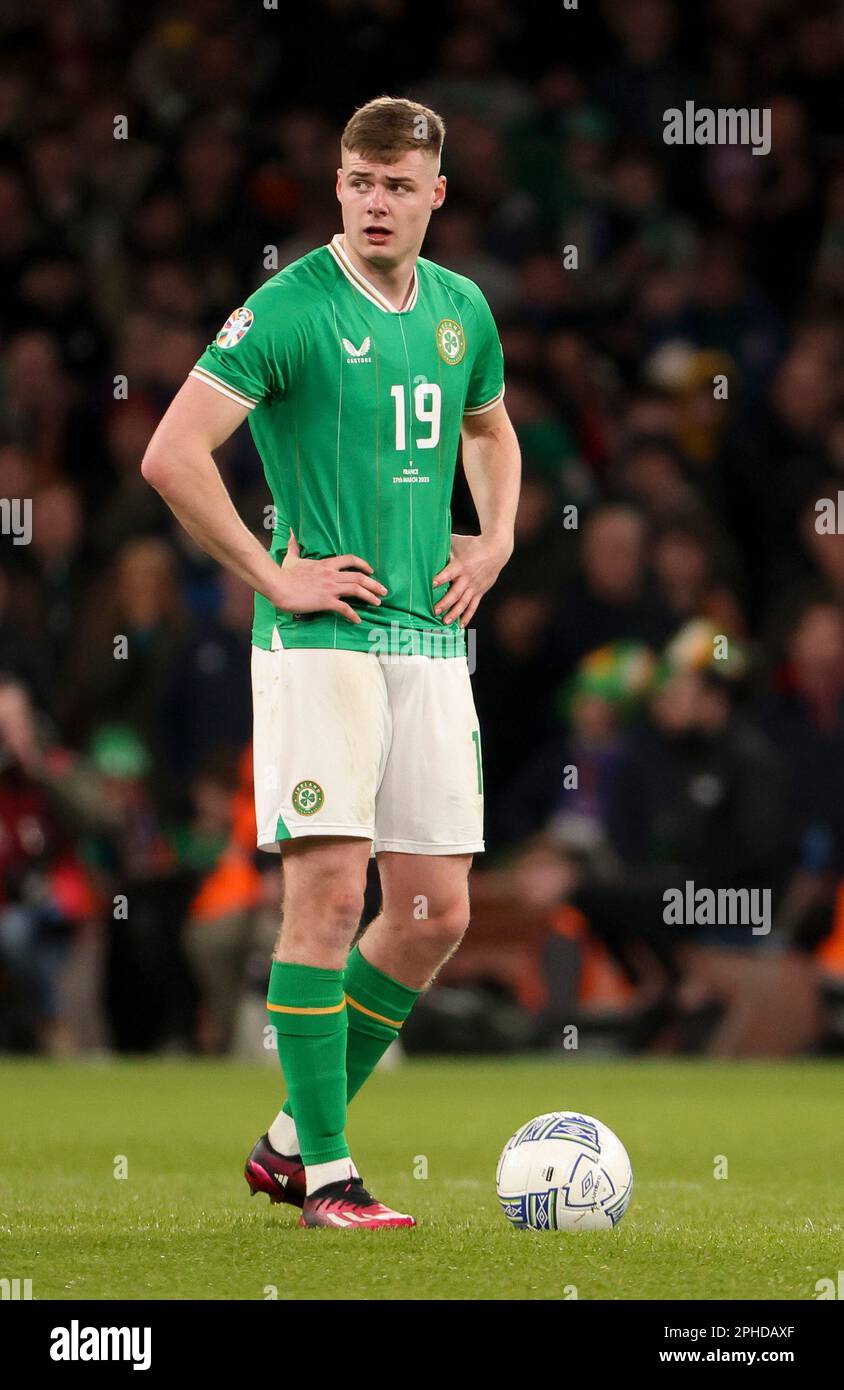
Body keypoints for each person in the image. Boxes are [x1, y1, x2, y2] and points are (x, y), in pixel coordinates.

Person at [141, 96, 521, 1228]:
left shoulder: (460, 310)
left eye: (398, 186)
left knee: (433, 910)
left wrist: (495, 540)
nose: (374, 203)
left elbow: (488, 429)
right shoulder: (289, 309)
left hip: (429, 639)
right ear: (338, 184)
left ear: (435, 195)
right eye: (359, 181)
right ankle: (330, 1176)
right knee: (323, 896)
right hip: (323, 641)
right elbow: (171, 454)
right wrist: (274, 574)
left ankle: (287, 1140)